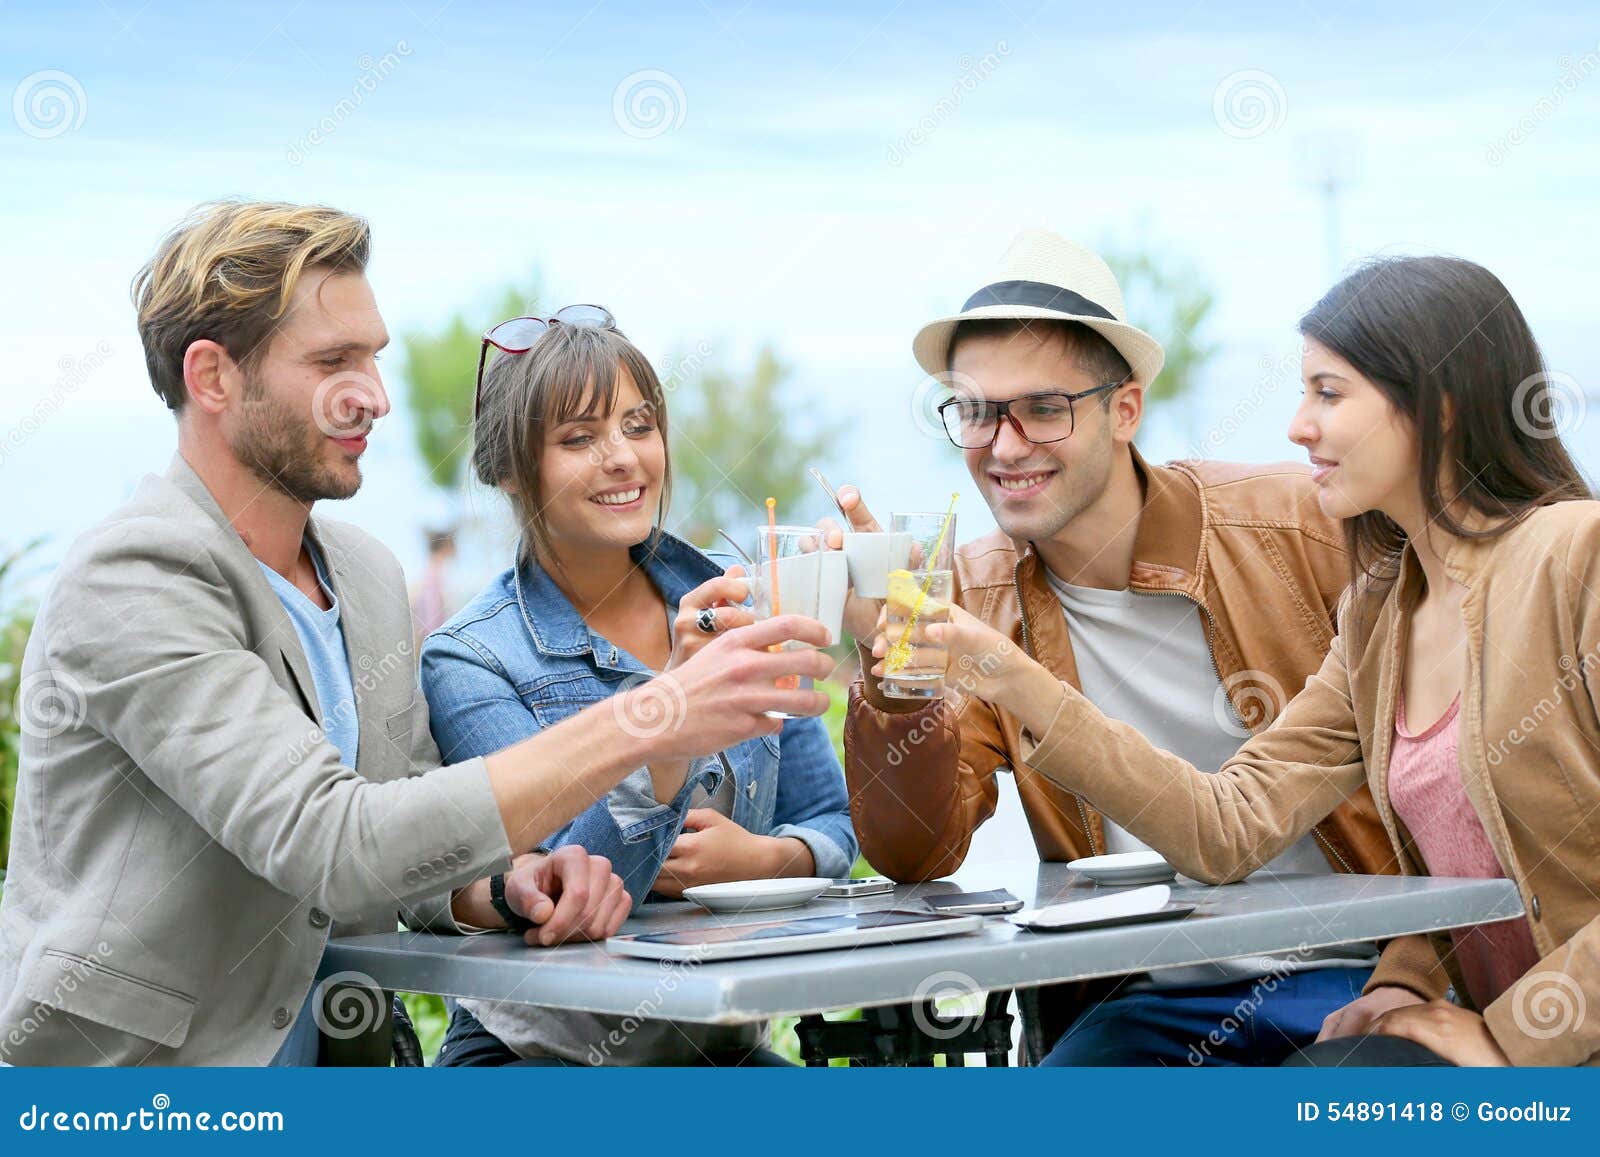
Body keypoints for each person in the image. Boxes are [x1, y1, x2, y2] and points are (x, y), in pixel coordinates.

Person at [0, 200, 833, 1066]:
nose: (376, 397)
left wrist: (505, 887)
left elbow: (423, 848)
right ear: (212, 378)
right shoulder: (134, 578)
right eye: (333, 362)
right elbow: (334, 842)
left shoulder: (362, 575)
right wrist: (657, 714)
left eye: (373, 357)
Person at [900, 253, 1600, 1067]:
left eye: (1328, 393)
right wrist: (1006, 672)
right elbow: (1227, 828)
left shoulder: (1573, 556)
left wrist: (1511, 1037)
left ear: (1438, 408)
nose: (1299, 425)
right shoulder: (1382, 609)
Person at [835, 229, 1405, 1066]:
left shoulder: (1300, 524)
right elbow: (917, 852)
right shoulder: (971, 594)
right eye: (978, 410)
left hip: (1356, 974)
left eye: (1043, 408)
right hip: (1146, 1006)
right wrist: (896, 678)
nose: (1003, 444)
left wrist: (1423, 968)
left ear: (1125, 409)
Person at [422, 312, 856, 1066]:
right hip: (533, 1054)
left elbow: (830, 824)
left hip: (716, 1049)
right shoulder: (470, 658)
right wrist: (668, 723)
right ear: (511, 471)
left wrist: (767, 860)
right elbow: (571, 892)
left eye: (639, 424)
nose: (622, 458)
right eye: (579, 438)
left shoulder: (738, 601)